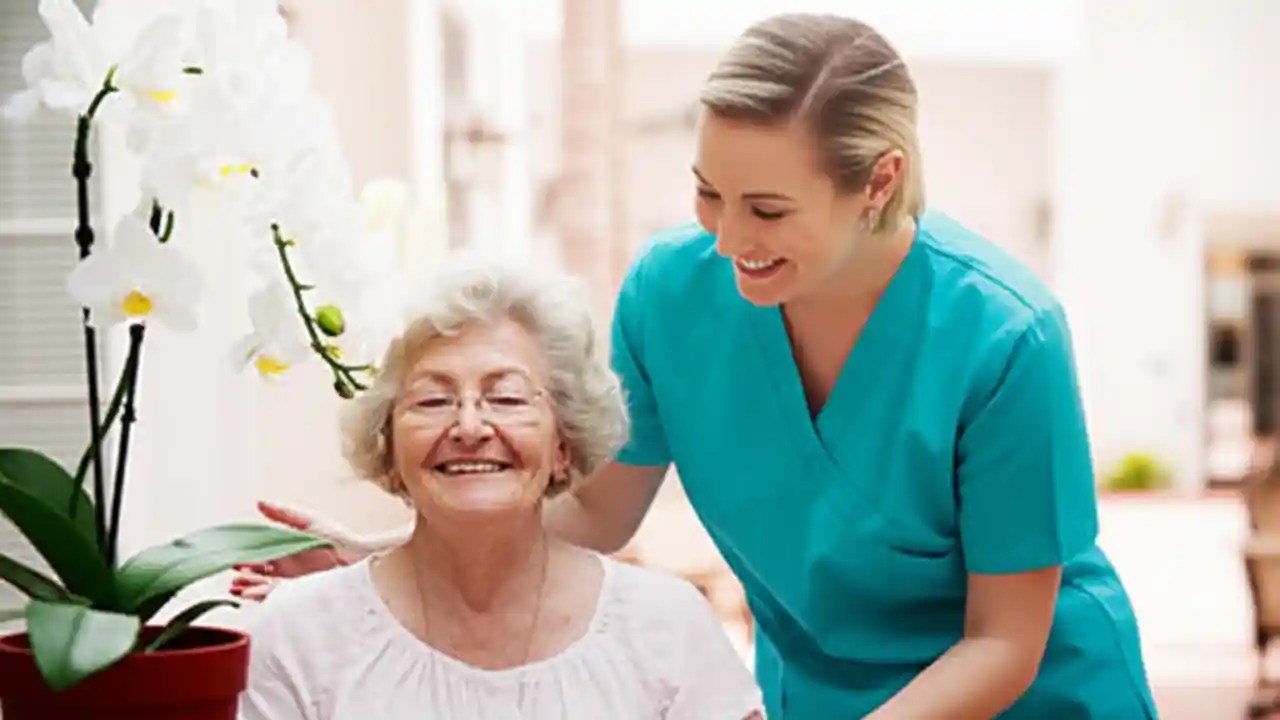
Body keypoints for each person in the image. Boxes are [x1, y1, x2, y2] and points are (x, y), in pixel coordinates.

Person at [237, 12, 1157, 719]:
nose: (726, 238)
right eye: (707, 191)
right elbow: (597, 511)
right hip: (822, 694)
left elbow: (1004, 642)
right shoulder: (673, 294)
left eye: (767, 209)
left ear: (877, 182)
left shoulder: (1005, 336)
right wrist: (396, 561)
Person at [236, 256, 764, 720]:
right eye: (433, 400)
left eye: (507, 398)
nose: (469, 427)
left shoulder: (666, 629)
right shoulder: (299, 634)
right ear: (388, 443)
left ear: (564, 444)